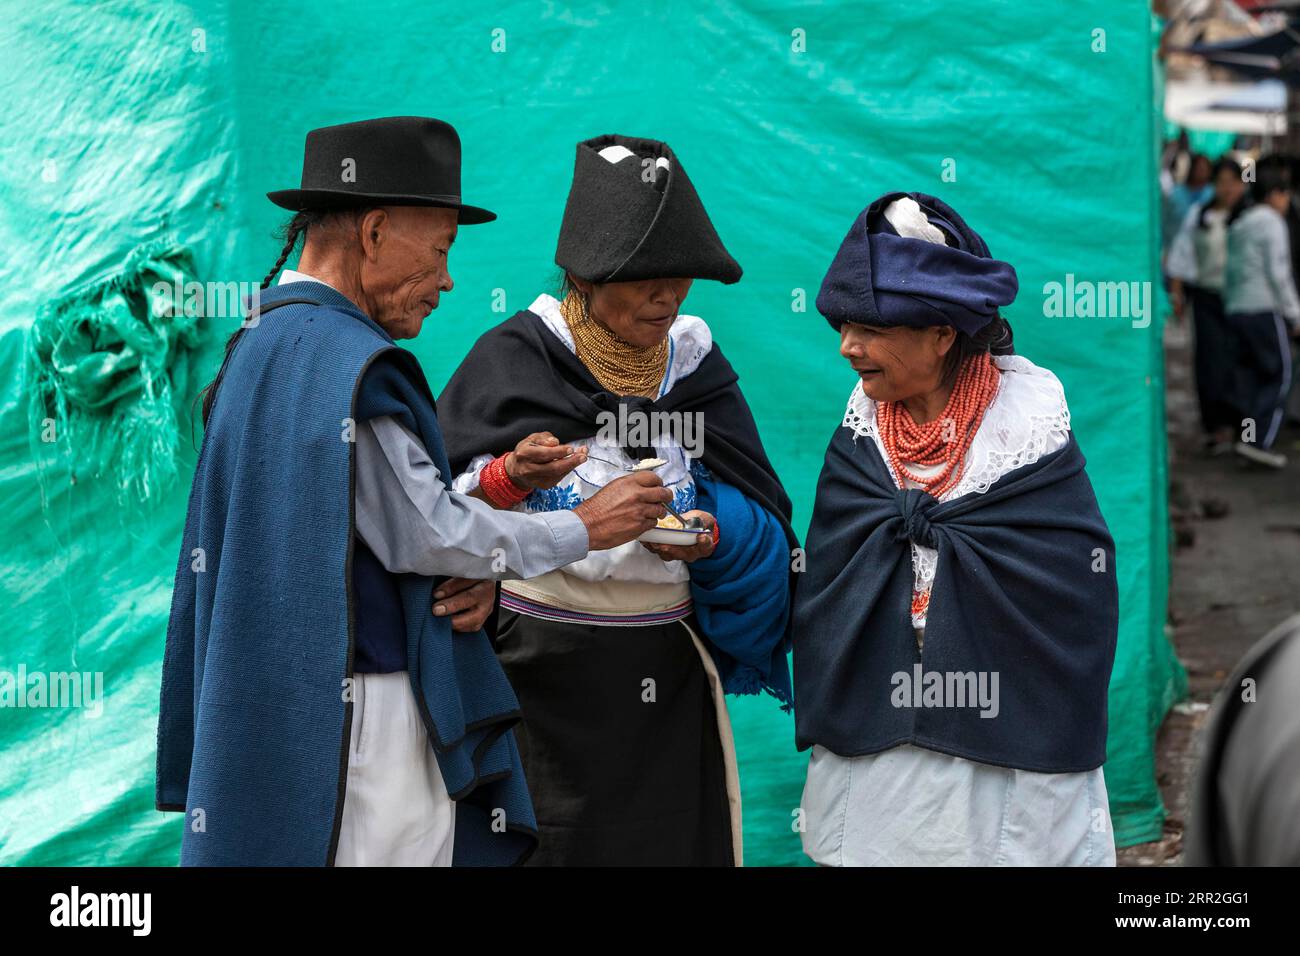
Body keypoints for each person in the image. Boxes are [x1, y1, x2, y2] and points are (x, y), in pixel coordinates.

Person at [155, 117, 672, 867]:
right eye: (440, 250)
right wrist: (585, 527)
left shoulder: (258, 343)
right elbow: (427, 531)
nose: (450, 279)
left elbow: (347, 521)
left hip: (278, 712)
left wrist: (498, 487)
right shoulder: (345, 359)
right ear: (372, 232)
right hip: (366, 725)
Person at [438, 134, 797, 866]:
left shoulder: (696, 370)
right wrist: (512, 478)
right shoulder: (512, 363)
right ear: (585, 276)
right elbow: (434, 515)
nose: (668, 294)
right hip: (532, 677)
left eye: (682, 275)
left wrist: (717, 531)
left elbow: (762, 511)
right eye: (644, 275)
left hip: (667, 683)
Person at [793, 192, 1119, 866]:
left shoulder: (1025, 426)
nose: (848, 347)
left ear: (943, 334)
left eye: (871, 329)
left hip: (1004, 735)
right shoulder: (863, 421)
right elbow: (835, 563)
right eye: (842, 327)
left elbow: (1070, 586)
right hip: (880, 719)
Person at [1221, 157, 1300, 469]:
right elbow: (1278, 273)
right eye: (1284, 194)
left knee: (1252, 379)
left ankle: (1248, 438)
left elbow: (1230, 273)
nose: (1287, 201)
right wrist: (1295, 315)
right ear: (1273, 194)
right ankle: (1259, 441)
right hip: (1264, 309)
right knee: (1280, 374)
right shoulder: (1271, 222)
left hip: (1238, 310)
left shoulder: (1240, 223)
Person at [1167, 155, 1246, 453]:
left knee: (1240, 360)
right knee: (1211, 361)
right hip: (1207, 298)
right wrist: (1176, 293)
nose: (1227, 189)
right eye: (1222, 182)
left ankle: (1244, 428)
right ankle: (1216, 429)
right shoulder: (1200, 215)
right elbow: (1181, 255)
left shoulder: (1249, 216)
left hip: (1242, 299)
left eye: (1233, 182)